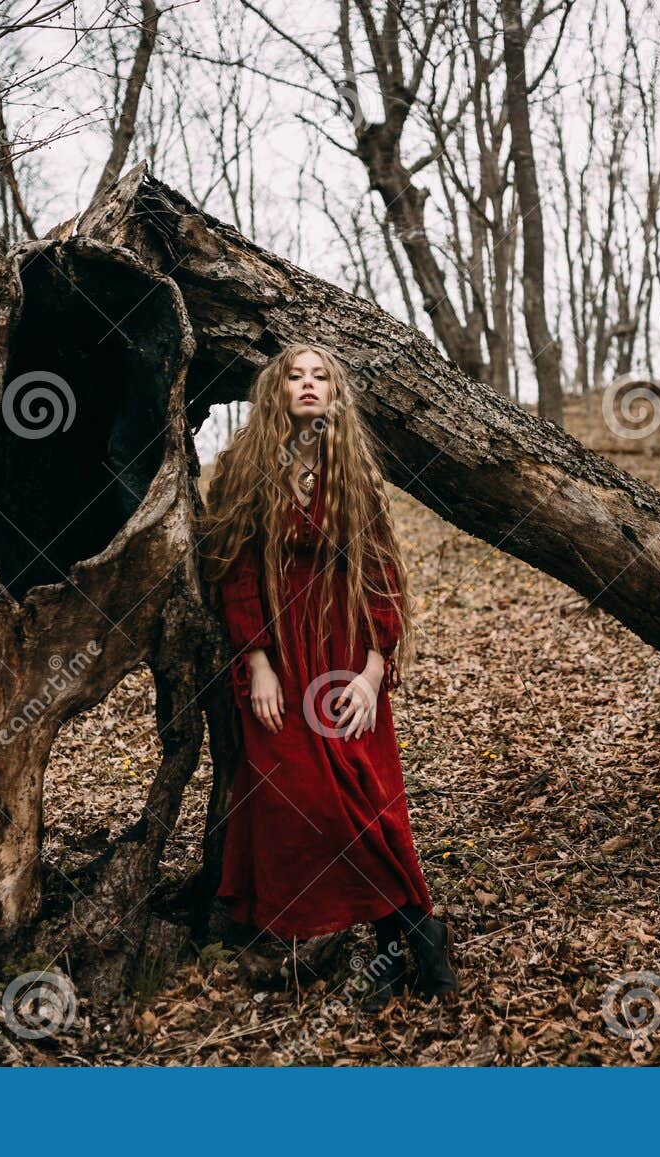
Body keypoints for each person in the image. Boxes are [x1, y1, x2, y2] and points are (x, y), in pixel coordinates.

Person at [198, 342, 457, 1013]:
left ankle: (404, 946)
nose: (308, 385)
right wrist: (255, 660)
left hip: (345, 656)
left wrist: (374, 673)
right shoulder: (244, 469)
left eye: (321, 377)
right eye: (295, 376)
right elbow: (233, 567)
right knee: (306, 798)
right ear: (276, 391)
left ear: (335, 395)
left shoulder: (353, 476)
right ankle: (417, 937)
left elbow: (381, 576)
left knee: (369, 801)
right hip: (282, 661)